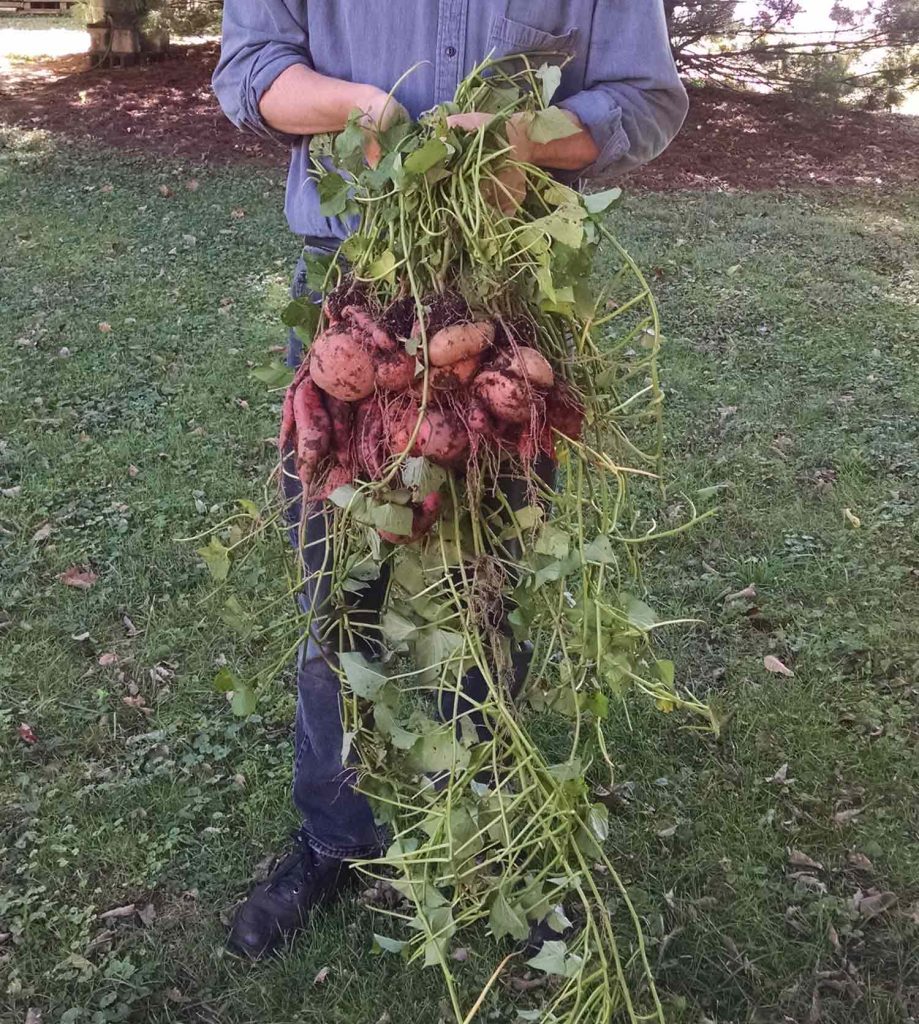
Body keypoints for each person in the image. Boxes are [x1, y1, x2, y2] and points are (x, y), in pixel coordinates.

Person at [212, 0, 687, 961]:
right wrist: (354, 106)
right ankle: (334, 837)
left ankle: (491, 834)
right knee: (338, 591)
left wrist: (522, 139)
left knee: (487, 586)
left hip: (507, 302)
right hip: (350, 296)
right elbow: (250, 71)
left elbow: (644, 99)